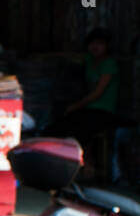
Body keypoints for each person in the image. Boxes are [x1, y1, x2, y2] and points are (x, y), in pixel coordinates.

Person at [48, 27, 124, 183]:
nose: (96, 47)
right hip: (88, 109)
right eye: (93, 43)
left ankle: (88, 166)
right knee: (61, 123)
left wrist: (76, 105)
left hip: (104, 111)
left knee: (83, 126)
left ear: (107, 46)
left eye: (100, 44)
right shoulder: (89, 60)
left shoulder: (109, 64)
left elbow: (98, 93)